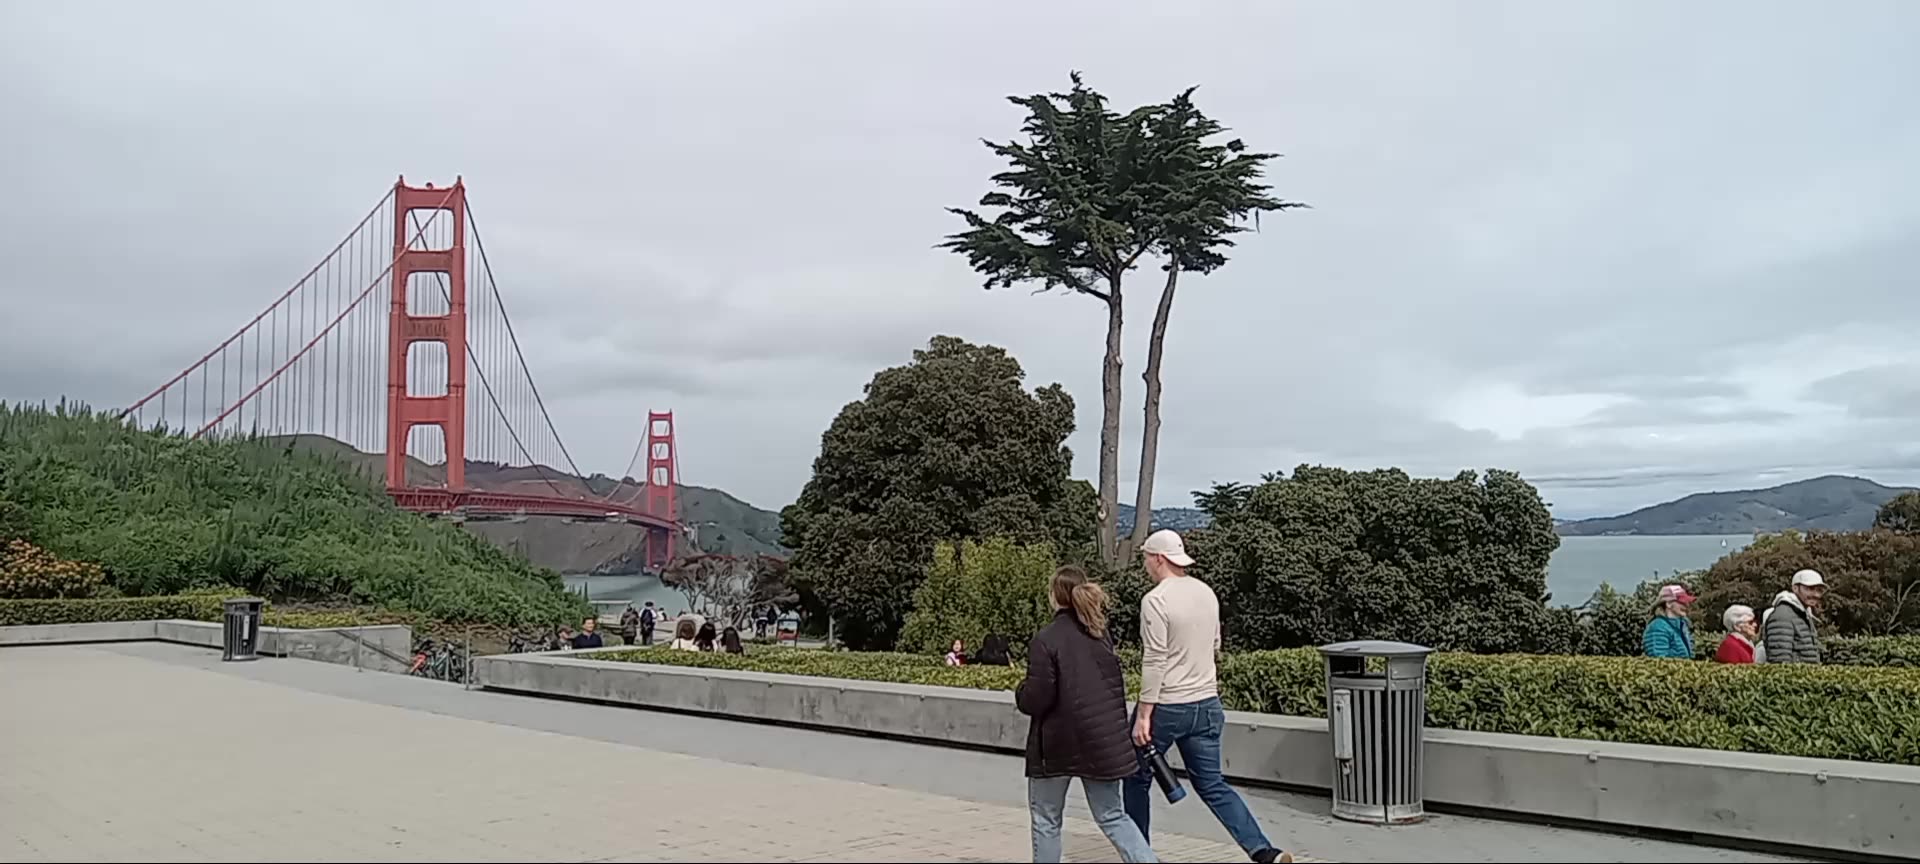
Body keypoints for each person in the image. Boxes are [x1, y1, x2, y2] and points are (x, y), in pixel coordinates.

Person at [1125, 530, 1290, 864]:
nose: (1145, 565)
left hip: (1169, 705)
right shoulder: (1206, 592)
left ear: (1159, 559)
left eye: (1146, 558)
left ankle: (1140, 856)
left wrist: (1143, 715)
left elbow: (1155, 660)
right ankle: (1263, 851)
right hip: (1207, 703)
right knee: (1213, 784)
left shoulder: (1155, 600)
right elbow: (1215, 644)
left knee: (1134, 776)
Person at [1018, 566, 1158, 863]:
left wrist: (1021, 692)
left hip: (1057, 744)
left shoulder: (1046, 639)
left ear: (1055, 596)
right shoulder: (1099, 633)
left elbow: (1038, 698)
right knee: (1112, 815)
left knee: (1046, 819)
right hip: (1102, 741)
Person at [1765, 569, 1826, 663]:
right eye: (1809, 589)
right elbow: (1780, 661)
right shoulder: (1783, 615)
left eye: (1819, 590)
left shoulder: (1804, 614)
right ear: (1795, 588)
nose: (1815, 594)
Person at [1641, 585, 1696, 659]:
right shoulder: (1658, 627)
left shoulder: (1682, 626)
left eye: (1686, 602)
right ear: (1668, 604)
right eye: (1681, 602)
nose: (1686, 605)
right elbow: (1659, 660)